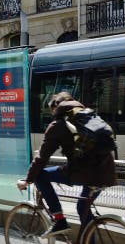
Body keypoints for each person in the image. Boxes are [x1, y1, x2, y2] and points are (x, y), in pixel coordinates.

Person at [17, 92, 116, 237]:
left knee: (40, 176)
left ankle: (59, 220)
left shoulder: (58, 124)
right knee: (83, 208)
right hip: (106, 171)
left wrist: (28, 179)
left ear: (55, 108)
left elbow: (42, 157)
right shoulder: (88, 115)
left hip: (84, 172)